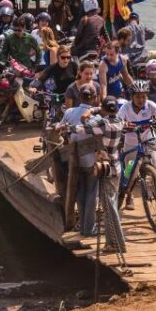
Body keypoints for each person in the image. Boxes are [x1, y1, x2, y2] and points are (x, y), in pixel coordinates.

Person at [66, 96, 126, 251]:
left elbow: (81, 127)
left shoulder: (102, 123)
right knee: (112, 204)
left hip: (105, 169)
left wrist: (90, 111)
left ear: (104, 109)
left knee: (109, 208)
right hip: (117, 167)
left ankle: (116, 243)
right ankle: (112, 242)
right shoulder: (120, 121)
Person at [117, 80, 156, 211]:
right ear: (132, 97)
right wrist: (124, 124)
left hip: (149, 141)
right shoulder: (125, 108)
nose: (141, 100)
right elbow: (118, 120)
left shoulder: (151, 105)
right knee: (129, 172)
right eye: (137, 97)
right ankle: (129, 196)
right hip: (131, 145)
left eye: (143, 96)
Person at [58, 84, 99, 236]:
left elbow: (59, 128)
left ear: (79, 97)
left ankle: (82, 226)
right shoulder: (96, 117)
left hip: (74, 161)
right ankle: (89, 228)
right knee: (91, 194)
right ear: (95, 98)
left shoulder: (69, 112)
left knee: (80, 192)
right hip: (91, 161)